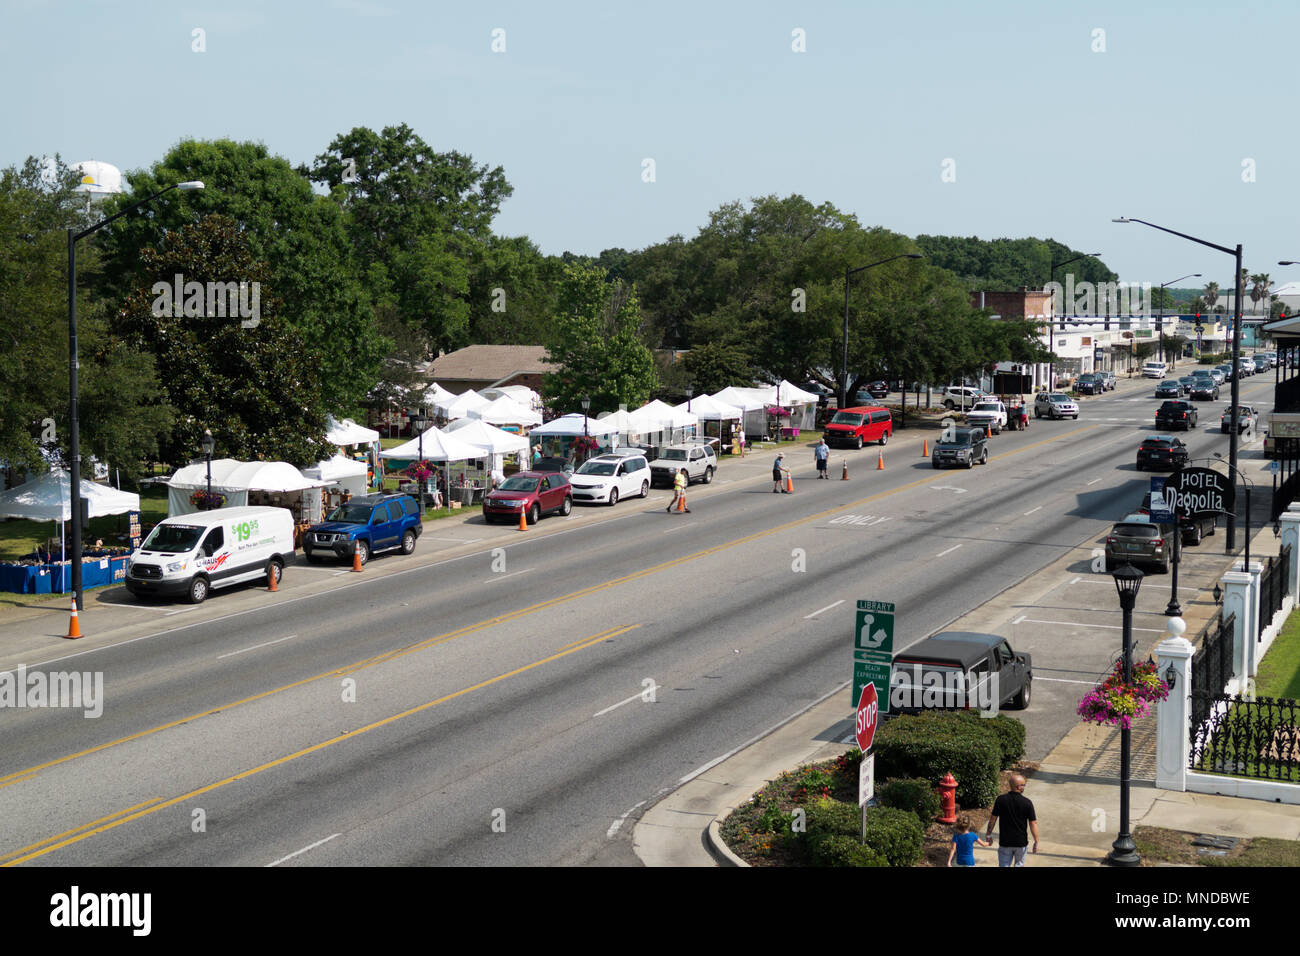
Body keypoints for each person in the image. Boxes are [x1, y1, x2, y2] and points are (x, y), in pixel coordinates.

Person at [986, 774, 1039, 866]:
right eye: (1023, 785)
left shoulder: (1000, 800)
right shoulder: (1027, 803)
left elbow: (992, 819)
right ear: (1018, 787)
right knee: (1019, 864)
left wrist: (988, 834)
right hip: (1021, 843)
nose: (1024, 787)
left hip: (1005, 842)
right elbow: (1033, 823)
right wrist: (1036, 841)